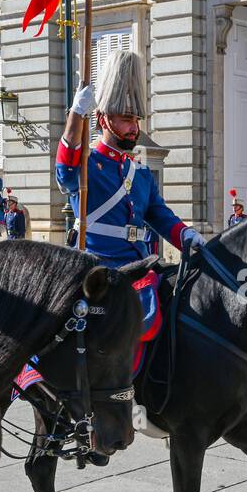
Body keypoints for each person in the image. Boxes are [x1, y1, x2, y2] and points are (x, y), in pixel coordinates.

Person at [56, 49, 202, 438]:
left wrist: (185, 234)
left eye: (136, 118)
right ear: (104, 119)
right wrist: (75, 116)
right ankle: (113, 401)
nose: (134, 126)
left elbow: (159, 214)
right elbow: (64, 167)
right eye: (125, 117)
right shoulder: (88, 164)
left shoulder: (140, 173)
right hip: (101, 269)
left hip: (143, 267)